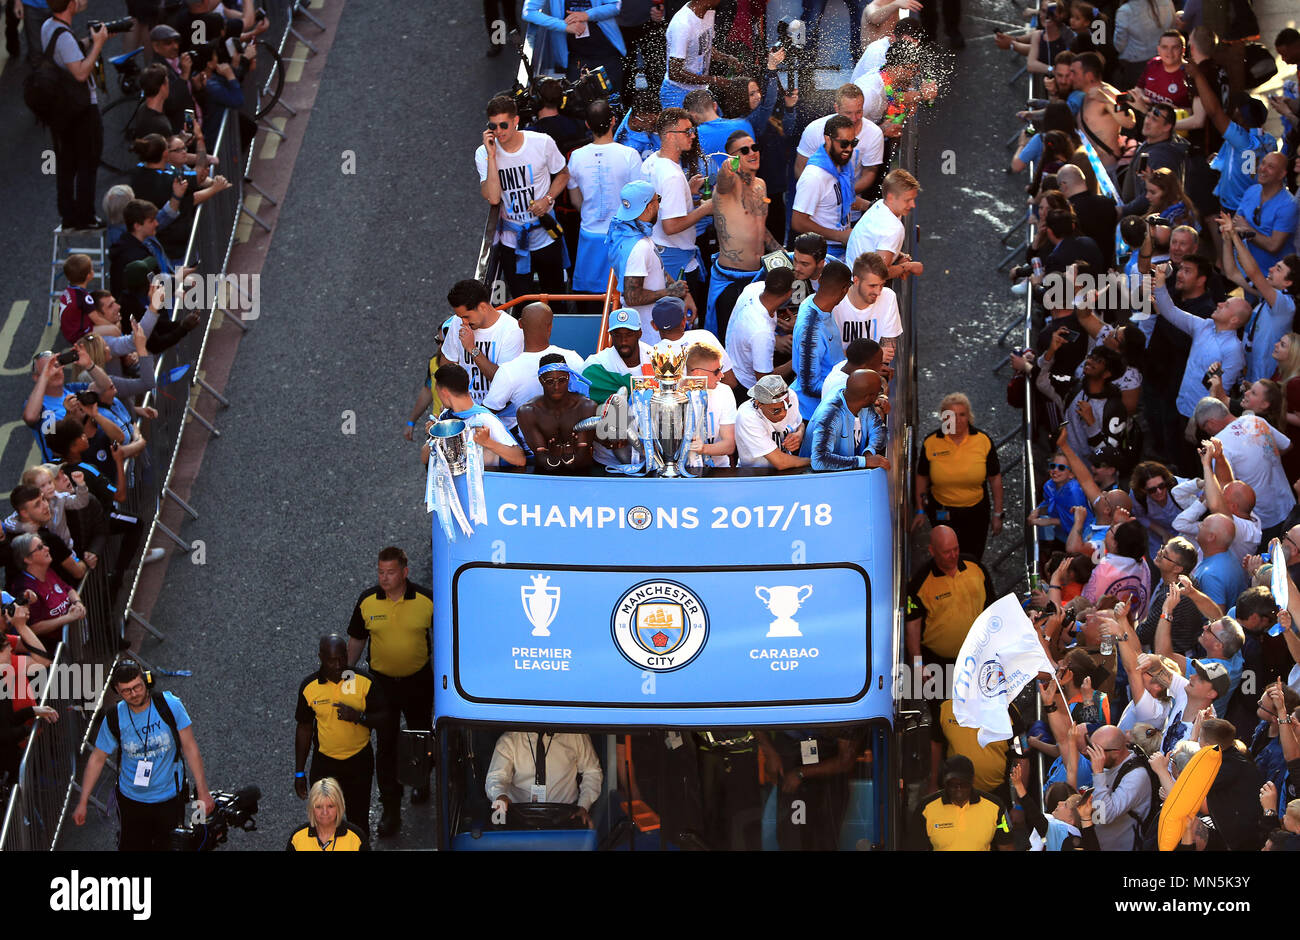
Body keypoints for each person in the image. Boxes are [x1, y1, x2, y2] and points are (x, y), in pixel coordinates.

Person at [73, 659, 215, 851]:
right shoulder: (114, 717)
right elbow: (97, 759)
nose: (133, 694)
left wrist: (203, 791)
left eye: (137, 687)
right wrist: (83, 802)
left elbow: (190, 748)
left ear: (146, 681)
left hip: (170, 798)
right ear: (117, 691)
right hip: (131, 801)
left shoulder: (170, 705)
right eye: (126, 691)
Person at [346, 548, 436, 838]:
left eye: (391, 572)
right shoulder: (367, 601)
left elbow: (446, 636)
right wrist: (345, 673)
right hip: (382, 685)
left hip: (418, 682)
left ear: (405, 573)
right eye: (381, 572)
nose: (384, 578)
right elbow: (357, 640)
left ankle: (421, 780)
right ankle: (391, 810)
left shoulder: (426, 600)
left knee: (421, 735)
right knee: (385, 746)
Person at [476, 95, 570, 299]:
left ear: (516, 121)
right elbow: (493, 198)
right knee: (522, 302)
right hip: (513, 243)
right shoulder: (483, 153)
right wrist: (492, 156)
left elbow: (563, 173)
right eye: (493, 126)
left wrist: (548, 199)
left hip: (546, 234)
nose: (499, 132)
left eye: (504, 125)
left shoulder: (541, 142)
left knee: (554, 296)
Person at [295, 634, 387, 836]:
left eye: (342, 659)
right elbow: (304, 728)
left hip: (359, 762)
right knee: (323, 820)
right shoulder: (309, 687)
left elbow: (384, 719)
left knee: (359, 820)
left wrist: (358, 716)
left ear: (347, 655)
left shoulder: (364, 682)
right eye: (331, 660)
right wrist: (299, 772)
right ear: (320, 657)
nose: (338, 665)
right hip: (325, 764)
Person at [704, 129, 786, 339]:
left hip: (758, 277)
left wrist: (782, 252)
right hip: (731, 280)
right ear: (732, 158)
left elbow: (759, 227)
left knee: (756, 339)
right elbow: (722, 182)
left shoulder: (761, 185)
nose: (753, 153)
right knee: (729, 344)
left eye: (754, 147)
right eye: (744, 150)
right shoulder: (726, 187)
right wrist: (726, 168)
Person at [566, 100, 645, 295]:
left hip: (589, 237)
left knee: (590, 299)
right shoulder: (630, 155)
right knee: (621, 298)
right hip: (622, 238)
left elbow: (576, 200)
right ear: (613, 121)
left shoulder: (576, 156)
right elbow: (638, 201)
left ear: (587, 125)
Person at [41, 0, 108, 230]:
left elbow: (65, 52)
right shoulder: (64, 37)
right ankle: (86, 216)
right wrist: (97, 45)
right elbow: (80, 72)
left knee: (67, 162)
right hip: (81, 108)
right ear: (70, 4)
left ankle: (68, 214)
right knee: (87, 161)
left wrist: (89, 40)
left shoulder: (48, 26)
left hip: (61, 108)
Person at [912, 393, 1004, 559]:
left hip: (976, 512)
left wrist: (998, 514)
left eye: (962, 414)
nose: (958, 419)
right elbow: (922, 476)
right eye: (952, 415)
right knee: (945, 554)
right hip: (942, 511)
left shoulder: (983, 441)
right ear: (943, 417)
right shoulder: (931, 441)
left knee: (972, 556)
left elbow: (995, 478)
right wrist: (919, 509)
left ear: (969, 416)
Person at [905, 525, 994, 690]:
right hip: (938, 664)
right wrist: (918, 664)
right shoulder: (920, 583)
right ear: (932, 551)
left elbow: (992, 607)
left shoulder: (975, 567)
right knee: (943, 708)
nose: (953, 555)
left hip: (978, 656)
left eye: (956, 549)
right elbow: (912, 625)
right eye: (946, 552)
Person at [1194, 395, 1294, 534]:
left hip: (1263, 521)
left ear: (1209, 424)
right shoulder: (1256, 420)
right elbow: (1287, 445)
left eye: (1204, 428)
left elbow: (1225, 489)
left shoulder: (1219, 444)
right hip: (1289, 505)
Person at [642, 108, 714, 302]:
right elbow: (671, 226)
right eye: (687, 131)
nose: (693, 136)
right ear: (670, 136)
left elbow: (659, 202)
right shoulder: (671, 175)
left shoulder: (652, 161)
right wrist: (706, 209)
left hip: (659, 252)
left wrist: (687, 192)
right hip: (674, 260)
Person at [483, 303, 586, 437]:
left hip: (530, 450)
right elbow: (587, 396)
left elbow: (486, 413)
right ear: (550, 326)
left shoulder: (508, 371)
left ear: (520, 324)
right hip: (574, 442)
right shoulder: (573, 358)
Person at [1219, 216, 1300, 385]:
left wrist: (1235, 236)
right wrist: (1227, 240)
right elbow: (1232, 273)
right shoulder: (1266, 297)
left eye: (1278, 269)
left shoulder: (1285, 305)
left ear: (1288, 282)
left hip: (1264, 386)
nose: (1271, 269)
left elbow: (1254, 273)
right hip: (1248, 380)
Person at [794, 83, 885, 215]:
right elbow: (799, 168)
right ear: (836, 108)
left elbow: (870, 172)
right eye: (848, 113)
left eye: (859, 112)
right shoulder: (814, 130)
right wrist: (822, 195)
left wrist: (843, 194)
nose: (854, 119)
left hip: (850, 210)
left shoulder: (874, 133)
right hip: (817, 209)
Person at [485, 730, 603, 826]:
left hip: (566, 817)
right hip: (518, 818)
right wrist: (500, 796)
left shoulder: (575, 736)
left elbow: (592, 771)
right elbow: (496, 777)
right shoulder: (510, 739)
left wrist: (583, 806)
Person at [438, 278, 525, 404]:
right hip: (467, 412)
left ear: (483, 307)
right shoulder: (457, 322)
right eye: (460, 317)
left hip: (502, 417)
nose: (464, 322)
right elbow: (446, 364)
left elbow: (504, 382)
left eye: (466, 316)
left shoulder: (511, 330)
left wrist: (472, 348)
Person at [791, 115, 864, 263]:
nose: (849, 149)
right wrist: (839, 236)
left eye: (853, 142)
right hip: (822, 252)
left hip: (843, 248)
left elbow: (841, 199)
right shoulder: (814, 176)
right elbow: (798, 222)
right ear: (828, 139)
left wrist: (872, 206)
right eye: (844, 143)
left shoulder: (842, 165)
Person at [427, 364, 527, 468]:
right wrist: (434, 434)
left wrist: (488, 442)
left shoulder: (484, 419)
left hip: (486, 482)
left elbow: (520, 459)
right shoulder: (445, 416)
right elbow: (424, 457)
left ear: (444, 392)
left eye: (437, 391)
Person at [791, 259, 853, 419]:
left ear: (819, 280)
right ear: (845, 289)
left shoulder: (812, 300)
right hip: (813, 415)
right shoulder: (812, 331)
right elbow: (810, 386)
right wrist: (853, 387)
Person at [910, 756, 1013, 851]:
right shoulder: (926, 808)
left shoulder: (995, 806)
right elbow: (915, 847)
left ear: (972, 781)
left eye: (963, 784)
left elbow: (1007, 847)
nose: (958, 788)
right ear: (945, 783)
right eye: (953, 784)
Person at [517, 354, 599, 473]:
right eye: (550, 381)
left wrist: (566, 457)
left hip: (581, 477)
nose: (556, 386)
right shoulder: (528, 412)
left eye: (562, 380)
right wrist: (555, 459)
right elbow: (542, 461)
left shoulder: (586, 407)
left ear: (568, 378)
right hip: (545, 479)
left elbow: (583, 459)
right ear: (541, 381)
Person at [523, 0, 625, 89]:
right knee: (577, 104)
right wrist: (563, 26)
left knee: (612, 103)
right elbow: (528, 12)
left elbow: (615, 5)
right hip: (574, 57)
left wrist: (587, 15)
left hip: (607, 53)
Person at [726, 267, 794, 398]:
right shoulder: (762, 334)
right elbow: (764, 384)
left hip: (735, 361)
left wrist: (777, 338)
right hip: (746, 388)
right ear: (788, 293)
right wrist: (796, 361)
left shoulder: (753, 288)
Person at [1087, 724, 1157, 850]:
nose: (1092, 755)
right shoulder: (1110, 764)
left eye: (1098, 751)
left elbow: (1102, 816)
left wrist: (1098, 773)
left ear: (1116, 752)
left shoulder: (1136, 776)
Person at [845, 169, 924, 281]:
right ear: (891, 197)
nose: (913, 205)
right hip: (861, 286)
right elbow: (878, 273)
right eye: (908, 200)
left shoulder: (881, 204)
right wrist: (908, 267)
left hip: (852, 277)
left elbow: (878, 244)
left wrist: (900, 256)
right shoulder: (893, 228)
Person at [659, 0, 740, 109]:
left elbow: (704, 47)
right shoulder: (682, 25)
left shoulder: (708, 12)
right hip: (677, 93)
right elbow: (675, 73)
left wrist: (726, 58)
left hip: (699, 92)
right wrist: (713, 80)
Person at [805, 369, 888, 472]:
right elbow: (819, 461)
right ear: (868, 397)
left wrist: (869, 452)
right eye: (878, 392)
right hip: (814, 480)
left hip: (846, 475)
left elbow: (879, 429)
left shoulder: (859, 399)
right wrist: (864, 462)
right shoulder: (830, 414)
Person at [833, 251, 901, 357]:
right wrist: (873, 356)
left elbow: (888, 353)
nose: (878, 292)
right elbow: (829, 355)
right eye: (872, 286)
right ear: (856, 281)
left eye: (882, 285)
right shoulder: (835, 301)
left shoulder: (888, 296)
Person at [733, 374, 808, 469]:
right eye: (776, 410)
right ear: (759, 403)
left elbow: (800, 423)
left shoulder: (791, 396)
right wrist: (812, 461)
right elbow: (781, 462)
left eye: (787, 407)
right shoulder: (747, 416)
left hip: (787, 470)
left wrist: (799, 435)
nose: (783, 413)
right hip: (755, 475)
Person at [685, 341, 736, 468]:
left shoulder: (724, 391)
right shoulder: (674, 396)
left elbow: (729, 446)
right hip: (683, 470)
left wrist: (704, 449)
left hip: (718, 469)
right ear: (697, 373)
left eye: (721, 369)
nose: (721, 375)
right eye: (716, 371)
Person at [287, 777, 369, 852]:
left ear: (339, 806)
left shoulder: (356, 838)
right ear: (311, 808)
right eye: (319, 807)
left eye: (330, 806)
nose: (325, 812)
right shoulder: (297, 838)